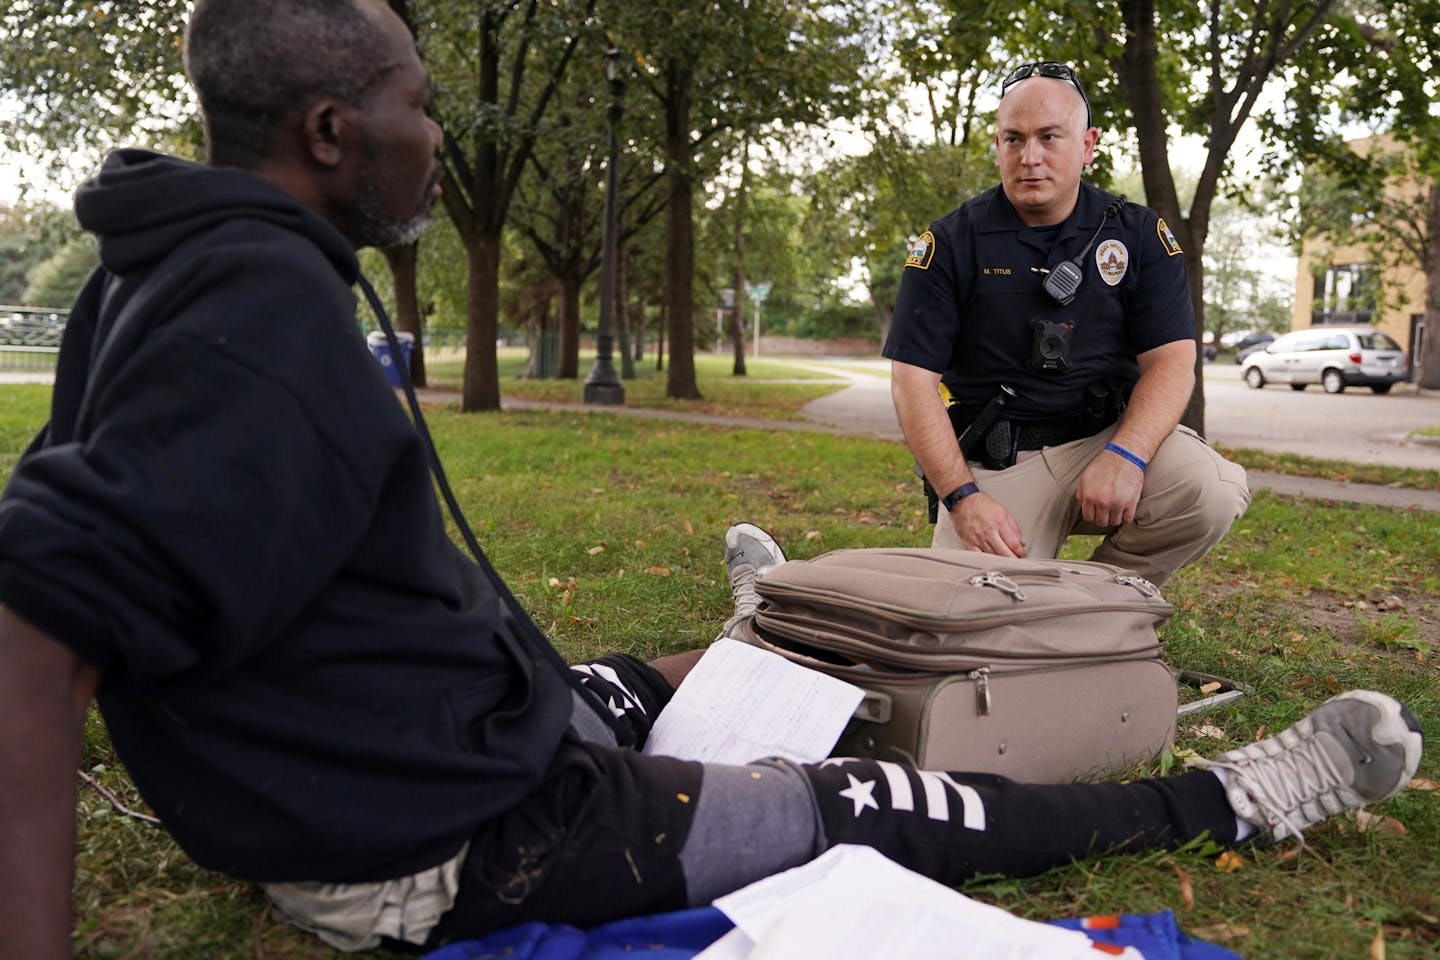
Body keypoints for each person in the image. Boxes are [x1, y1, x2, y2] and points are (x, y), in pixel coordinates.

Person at [0, 7, 1422, 955]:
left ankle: (770, 629)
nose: (437, 134)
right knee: (872, 795)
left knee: (636, 682)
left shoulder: (176, 272)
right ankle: (1238, 801)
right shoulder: (247, 321)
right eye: (416, 104)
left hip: (424, 746)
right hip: (446, 840)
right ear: (328, 131)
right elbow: (29, 634)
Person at [883, 61, 1250, 588]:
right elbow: (912, 384)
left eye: (1049, 137)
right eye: (1014, 139)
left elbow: (1173, 362)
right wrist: (963, 500)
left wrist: (1126, 455)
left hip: (1107, 440)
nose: (1029, 157)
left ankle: (1097, 605)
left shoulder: (1140, 236)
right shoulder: (950, 245)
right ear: (997, 144)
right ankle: (1045, 609)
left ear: (1088, 144)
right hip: (1001, 464)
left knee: (1210, 490)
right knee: (965, 618)